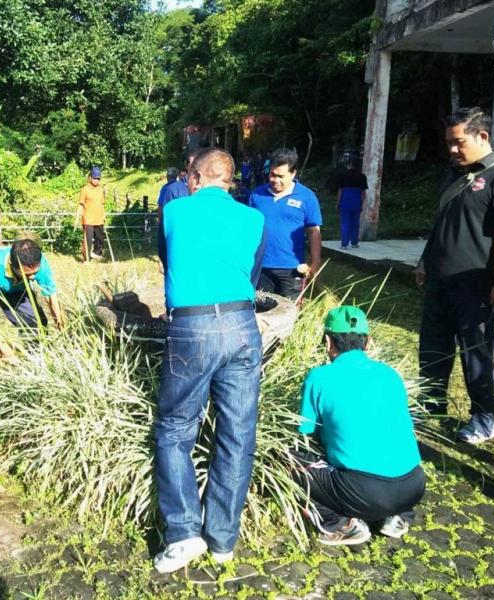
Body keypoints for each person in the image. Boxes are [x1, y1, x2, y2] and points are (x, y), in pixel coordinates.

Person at [154, 148, 266, 573]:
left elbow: (168, 260)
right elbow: (253, 278)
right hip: (241, 324)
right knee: (237, 433)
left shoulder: (175, 210)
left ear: (193, 177)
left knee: (176, 428)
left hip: (193, 326)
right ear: (230, 181)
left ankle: (184, 533)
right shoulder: (254, 218)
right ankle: (223, 540)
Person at [416, 107, 494, 444]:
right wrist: (424, 261)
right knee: (433, 346)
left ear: (483, 137)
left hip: (475, 283)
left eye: (458, 142)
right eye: (448, 142)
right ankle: (431, 404)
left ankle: (486, 415)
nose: (452, 149)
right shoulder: (453, 174)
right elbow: (443, 224)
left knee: (476, 351)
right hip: (439, 279)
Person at [297, 306, 425, 545]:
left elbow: (304, 433)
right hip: (413, 486)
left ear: (327, 342)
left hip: (365, 492)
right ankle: (395, 517)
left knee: (292, 461)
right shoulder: (390, 374)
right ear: (368, 342)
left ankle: (342, 525)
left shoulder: (319, 377)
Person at [0, 237, 64, 393]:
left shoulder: (39, 264)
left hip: (14, 286)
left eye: (35, 273)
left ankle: (36, 364)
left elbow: (52, 301)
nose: (33, 278)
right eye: (28, 275)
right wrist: (5, 351)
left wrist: (62, 328)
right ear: (13, 266)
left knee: (36, 322)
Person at [248, 148, 323, 298]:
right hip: (261, 266)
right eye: (272, 175)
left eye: (281, 176)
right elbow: (248, 229)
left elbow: (314, 231)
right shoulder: (257, 195)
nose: (275, 180)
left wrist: (315, 263)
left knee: (290, 313)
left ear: (293, 173)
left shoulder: (307, 197)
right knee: (263, 314)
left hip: (292, 268)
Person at [75, 167, 106, 261]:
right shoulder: (85, 189)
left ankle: (97, 253)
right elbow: (81, 204)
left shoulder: (101, 190)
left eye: (98, 178)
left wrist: (104, 215)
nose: (96, 180)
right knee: (87, 239)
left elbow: (102, 204)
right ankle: (86, 258)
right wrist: (77, 218)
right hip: (88, 219)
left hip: (99, 218)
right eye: (95, 178)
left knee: (100, 238)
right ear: (90, 177)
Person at [336, 158, 368, 249]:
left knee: (345, 223)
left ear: (350, 164)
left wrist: (338, 202)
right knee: (355, 223)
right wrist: (361, 203)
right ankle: (354, 242)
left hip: (345, 201)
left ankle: (344, 244)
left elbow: (340, 190)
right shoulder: (362, 176)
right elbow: (363, 193)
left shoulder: (344, 175)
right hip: (356, 202)